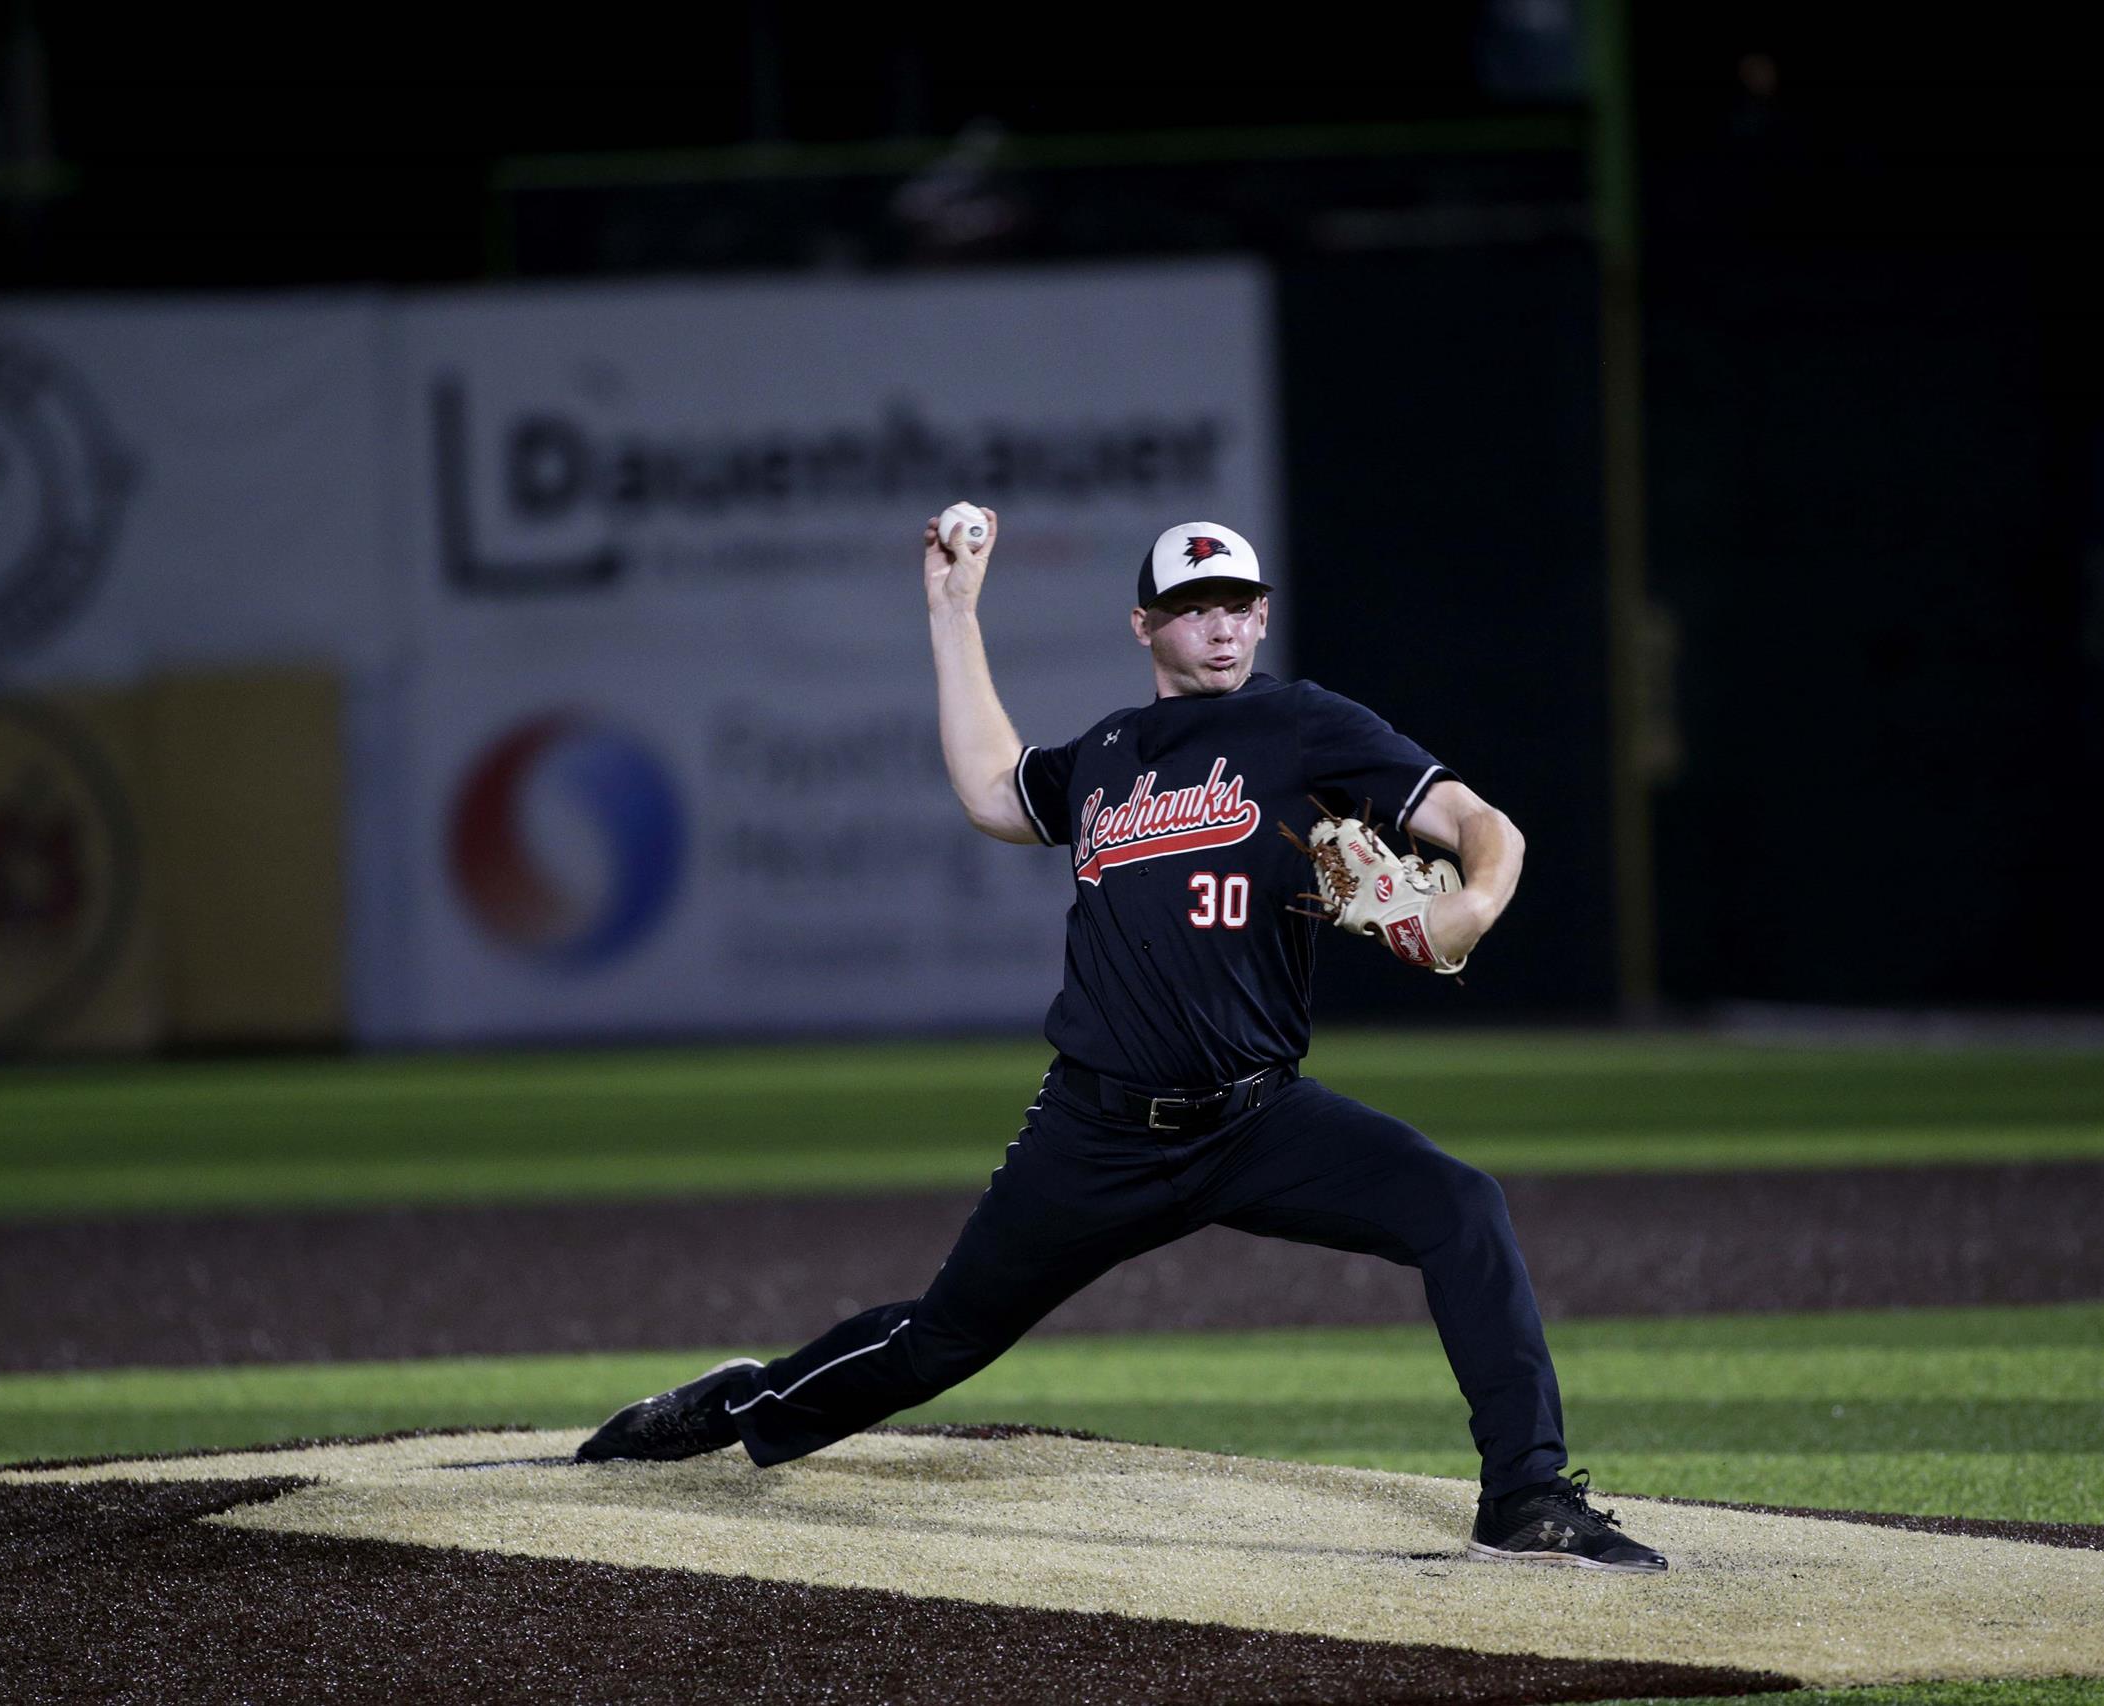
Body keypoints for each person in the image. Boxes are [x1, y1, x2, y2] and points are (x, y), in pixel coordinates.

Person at [577, 506, 1666, 1573]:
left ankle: (1524, 1496)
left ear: (1264, 614)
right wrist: (953, 611)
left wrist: (1469, 906)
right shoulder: (1106, 751)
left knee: (1458, 1202)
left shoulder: (1304, 725)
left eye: (1238, 603)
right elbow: (994, 791)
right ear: (1143, 624)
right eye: (1194, 608)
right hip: (1094, 1130)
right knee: (937, 1343)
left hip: (1258, 1115)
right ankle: (739, 1401)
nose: (1221, 626)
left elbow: (1485, 824)